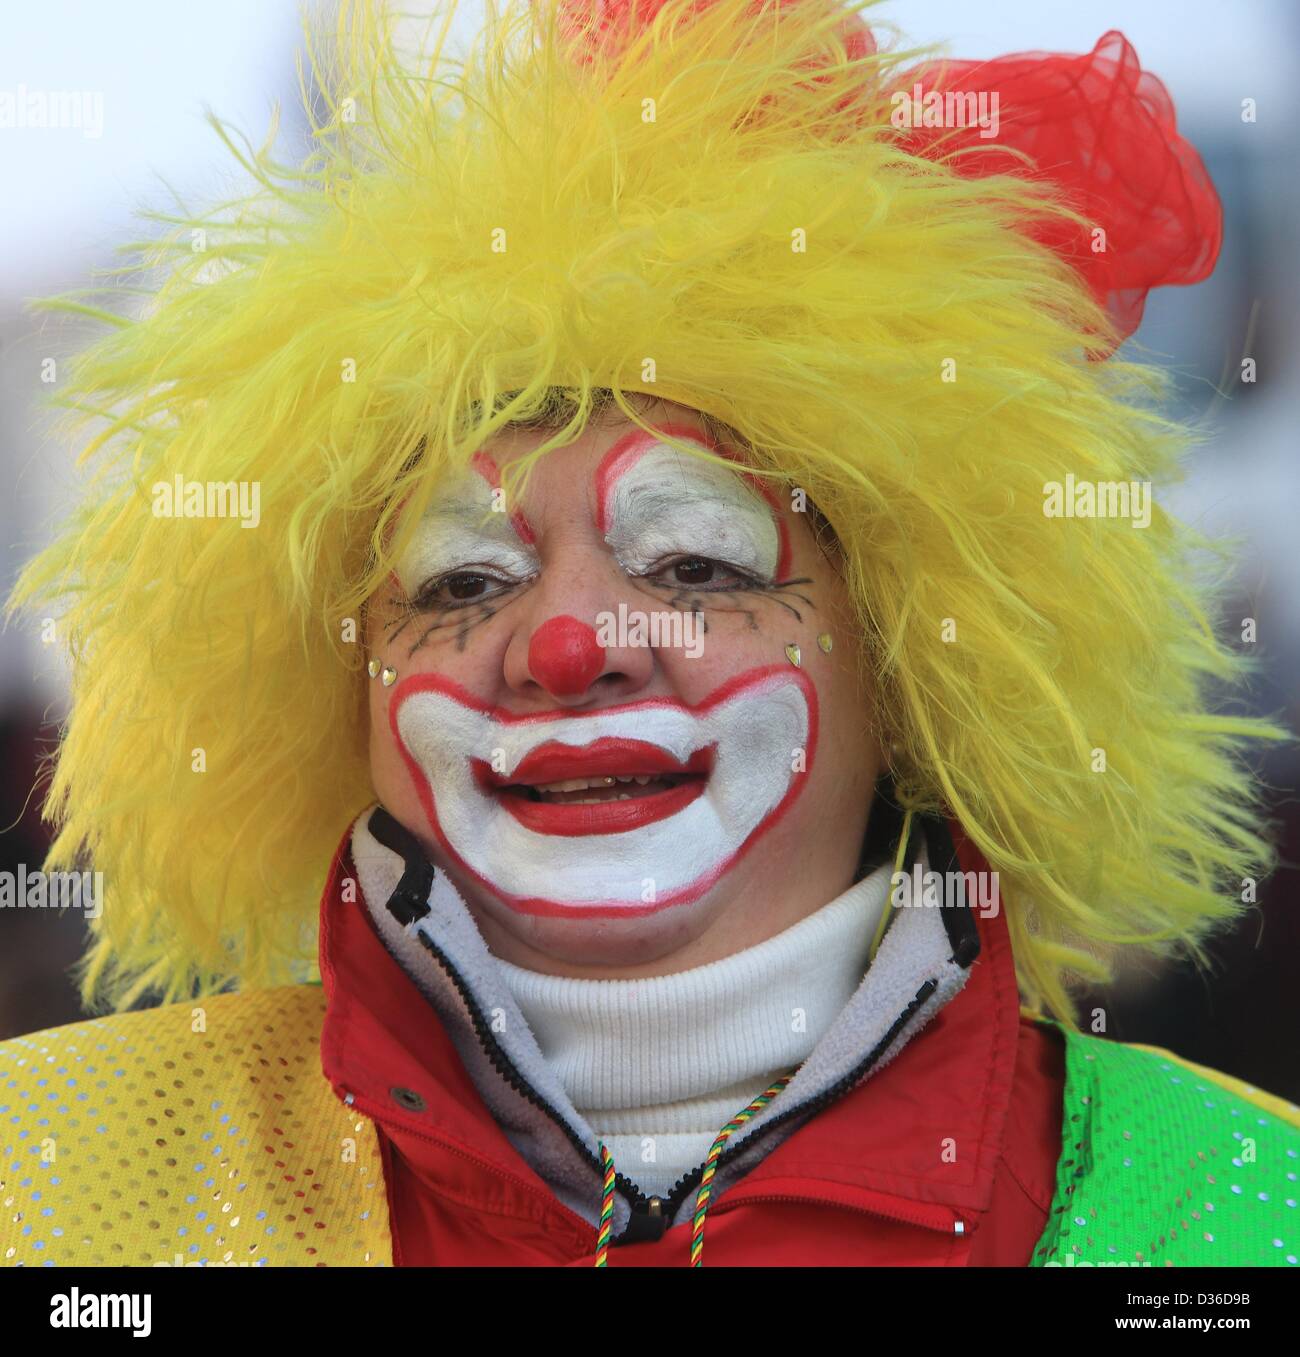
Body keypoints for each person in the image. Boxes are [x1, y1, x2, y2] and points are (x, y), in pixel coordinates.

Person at [2, 0, 1296, 1269]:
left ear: (907, 657)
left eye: (694, 561)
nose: (570, 641)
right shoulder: (54, 1177)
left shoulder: (1234, 1212)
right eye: (459, 584)